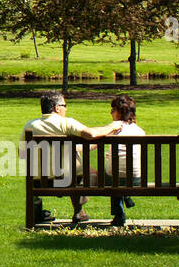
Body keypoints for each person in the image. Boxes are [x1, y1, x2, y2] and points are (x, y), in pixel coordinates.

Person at [24, 92, 121, 225]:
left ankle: (37, 209)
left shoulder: (29, 126)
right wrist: (111, 127)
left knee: (71, 166)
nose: (66, 108)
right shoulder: (66, 123)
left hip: (38, 181)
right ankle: (79, 209)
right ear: (57, 108)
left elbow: (22, 153)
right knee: (87, 173)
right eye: (65, 105)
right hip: (69, 180)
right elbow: (91, 134)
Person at [105, 94, 144, 227]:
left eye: (112, 110)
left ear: (120, 111)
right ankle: (126, 195)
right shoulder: (139, 131)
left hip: (114, 179)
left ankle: (119, 214)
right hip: (136, 179)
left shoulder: (113, 129)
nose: (111, 113)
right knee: (119, 174)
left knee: (112, 176)